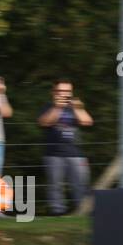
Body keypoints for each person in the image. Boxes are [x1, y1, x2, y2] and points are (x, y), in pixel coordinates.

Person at [37, 79, 92, 215]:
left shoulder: (75, 107)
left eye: (67, 91)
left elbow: (87, 121)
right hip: (53, 153)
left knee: (80, 184)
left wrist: (78, 108)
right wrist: (58, 107)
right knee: (55, 185)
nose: (65, 94)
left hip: (75, 153)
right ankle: (57, 212)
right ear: (54, 92)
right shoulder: (48, 107)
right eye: (61, 91)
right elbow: (44, 123)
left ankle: (83, 212)